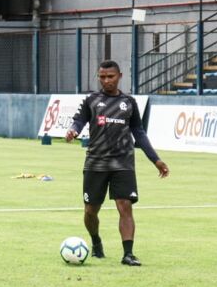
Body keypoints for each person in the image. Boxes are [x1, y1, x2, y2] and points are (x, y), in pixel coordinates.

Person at [65, 60, 169, 266]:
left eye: (110, 76)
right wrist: (73, 130)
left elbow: (139, 133)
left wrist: (155, 159)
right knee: (90, 211)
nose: (106, 80)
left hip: (123, 164)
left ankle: (128, 254)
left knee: (125, 206)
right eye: (102, 77)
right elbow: (79, 120)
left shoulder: (129, 102)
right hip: (96, 163)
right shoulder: (91, 100)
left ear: (120, 76)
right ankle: (96, 241)